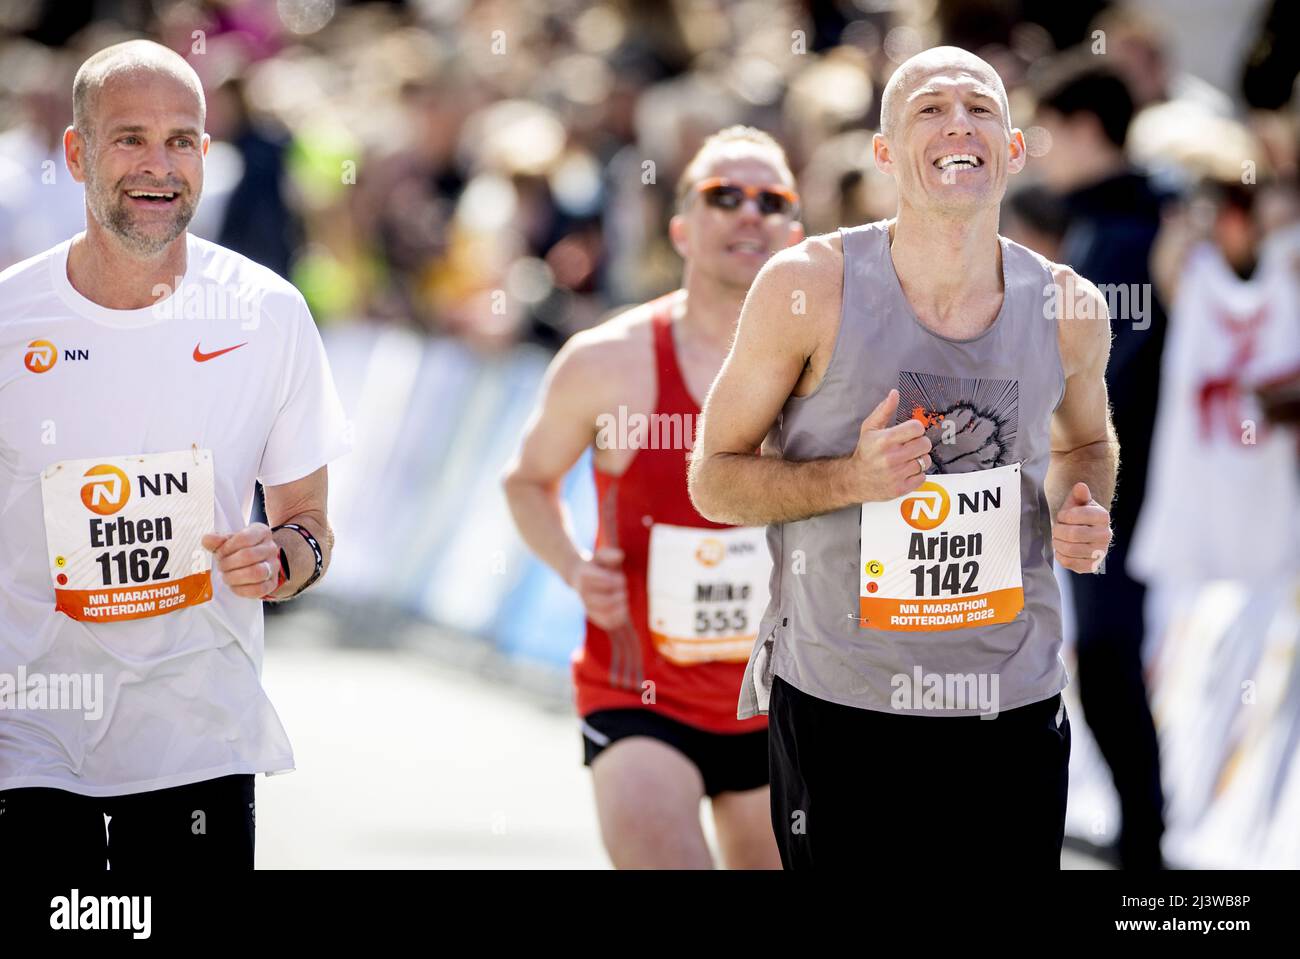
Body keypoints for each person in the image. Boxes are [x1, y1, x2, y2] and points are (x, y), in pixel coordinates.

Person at [689, 47, 1115, 869]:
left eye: (981, 108)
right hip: (844, 707)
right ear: (884, 155)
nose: (959, 121)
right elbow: (714, 476)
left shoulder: (1070, 306)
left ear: (1014, 150)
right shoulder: (808, 287)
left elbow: (1087, 442)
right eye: (929, 108)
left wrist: (1082, 504)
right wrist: (851, 478)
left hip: (1011, 707)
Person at [0, 40, 350, 869]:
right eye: (129, 139)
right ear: (78, 153)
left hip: (198, 739)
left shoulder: (267, 312)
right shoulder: (11, 321)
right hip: (31, 737)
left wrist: (281, 559)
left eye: (182, 140)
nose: (159, 166)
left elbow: (309, 527)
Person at [502, 126, 804, 868]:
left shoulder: (825, 366)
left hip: (779, 701)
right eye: (723, 196)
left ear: (795, 231)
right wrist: (576, 569)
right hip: (639, 698)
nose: (749, 214)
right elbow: (527, 481)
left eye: (772, 200)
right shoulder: (609, 361)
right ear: (680, 227)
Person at [1032, 56, 1170, 869]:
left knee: (1111, 663)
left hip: (1128, 489)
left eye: (1048, 132)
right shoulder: (1117, 221)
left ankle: (1146, 843)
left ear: (1087, 129)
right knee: (1106, 665)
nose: (1039, 150)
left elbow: (1104, 376)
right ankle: (1141, 832)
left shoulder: (1125, 230)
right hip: (1121, 485)